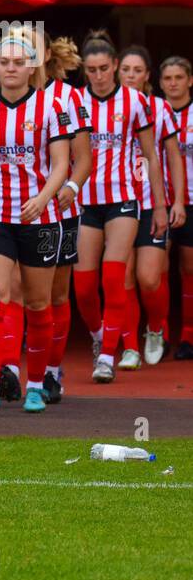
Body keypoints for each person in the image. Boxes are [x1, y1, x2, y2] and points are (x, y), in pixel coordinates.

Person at [0, 33, 72, 413]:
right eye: (4, 62)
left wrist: (43, 199)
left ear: (32, 67)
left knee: (38, 304)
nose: (11, 68)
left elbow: (62, 162)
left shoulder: (51, 106)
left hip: (39, 218)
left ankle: (34, 384)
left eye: (18, 62)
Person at [73, 33, 164, 384]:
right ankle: (98, 336)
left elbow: (151, 155)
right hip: (85, 202)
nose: (98, 76)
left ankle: (108, 355)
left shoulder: (134, 102)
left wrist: (157, 206)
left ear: (114, 66)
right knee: (83, 286)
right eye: (91, 70)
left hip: (124, 200)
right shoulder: (74, 100)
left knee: (113, 277)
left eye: (103, 69)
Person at [118, 45, 186, 366]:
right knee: (124, 275)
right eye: (126, 70)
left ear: (147, 76)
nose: (131, 76)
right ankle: (129, 344)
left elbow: (173, 155)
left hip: (150, 202)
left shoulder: (158, 108)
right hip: (116, 201)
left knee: (150, 277)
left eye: (137, 71)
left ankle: (156, 328)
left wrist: (175, 202)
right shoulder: (103, 106)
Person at [36, 33, 92, 402]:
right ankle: (11, 369)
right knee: (16, 293)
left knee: (55, 293)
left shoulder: (69, 97)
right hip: (14, 213)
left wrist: (70, 185)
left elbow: (84, 157)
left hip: (60, 210)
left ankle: (51, 370)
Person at [160, 55, 193, 359]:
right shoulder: (153, 111)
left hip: (191, 201)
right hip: (160, 201)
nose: (173, 83)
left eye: (178, 77)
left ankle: (187, 335)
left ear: (189, 81)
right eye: (168, 78)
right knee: (155, 268)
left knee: (189, 267)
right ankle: (158, 332)